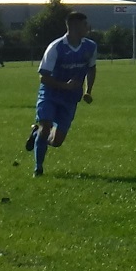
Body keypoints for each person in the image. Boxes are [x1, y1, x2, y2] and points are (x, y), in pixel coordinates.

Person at [22, 12, 96, 177]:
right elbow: (44, 77)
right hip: (50, 94)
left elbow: (91, 68)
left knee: (56, 141)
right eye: (85, 24)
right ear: (74, 26)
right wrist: (64, 85)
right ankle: (38, 168)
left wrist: (88, 90)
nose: (87, 27)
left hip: (70, 98)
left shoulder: (90, 46)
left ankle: (36, 133)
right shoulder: (56, 47)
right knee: (46, 126)